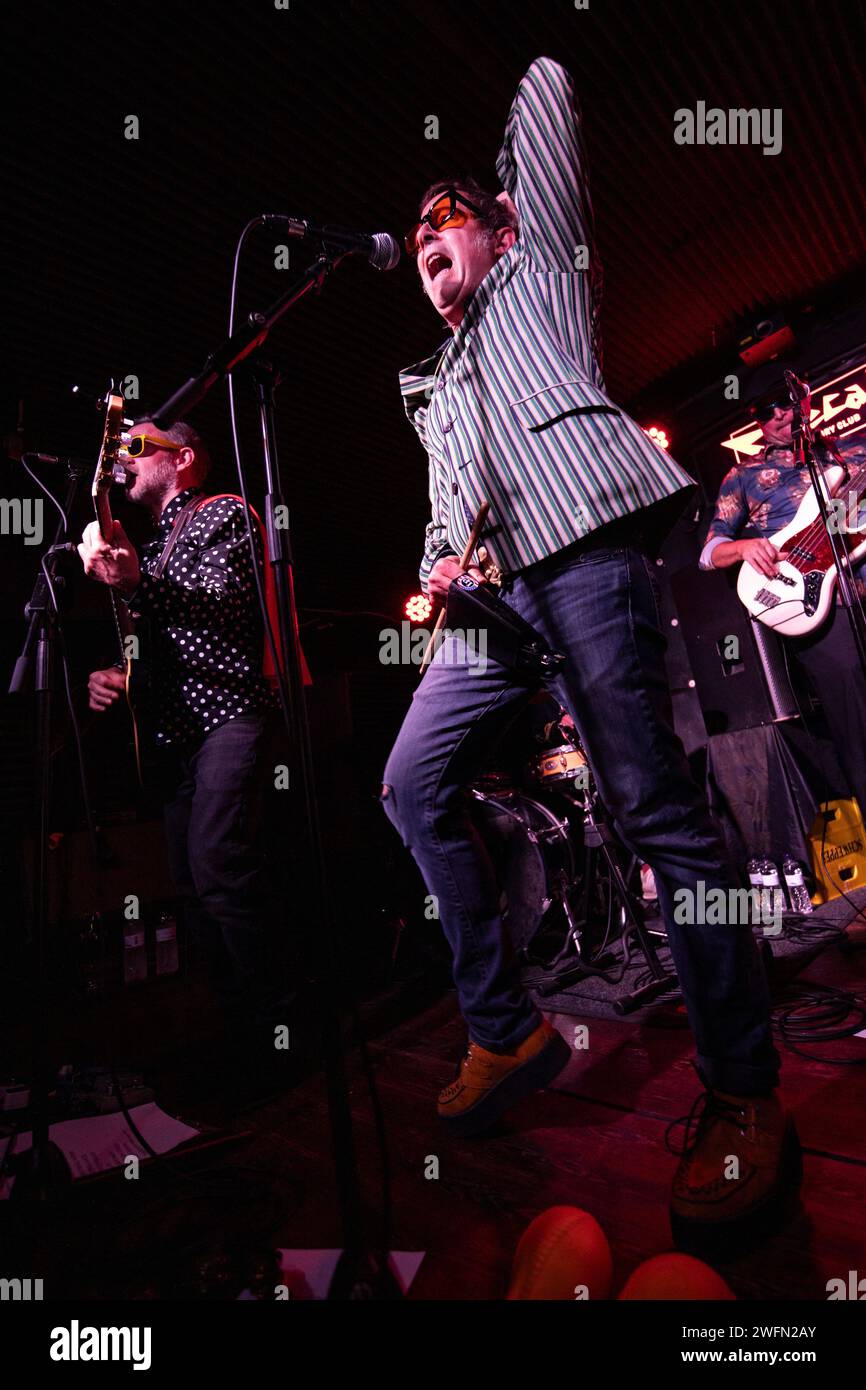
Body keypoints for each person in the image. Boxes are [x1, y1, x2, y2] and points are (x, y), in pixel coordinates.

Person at [381, 56, 795, 1243]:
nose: (422, 239)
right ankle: (504, 1024)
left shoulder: (535, 281)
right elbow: (438, 508)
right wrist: (430, 565)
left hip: (584, 557)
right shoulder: (430, 383)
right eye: (413, 235)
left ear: (499, 228)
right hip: (493, 603)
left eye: (441, 219)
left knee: (654, 813)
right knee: (409, 784)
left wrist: (502, 203)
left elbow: (550, 103)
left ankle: (742, 1090)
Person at [78, 419, 286, 1069]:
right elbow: (162, 640)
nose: (122, 459)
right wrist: (119, 670)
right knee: (191, 886)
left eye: (136, 447)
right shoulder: (156, 542)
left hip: (229, 715)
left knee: (220, 865)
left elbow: (225, 606)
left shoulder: (224, 513)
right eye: (119, 450)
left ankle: (281, 1027)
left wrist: (140, 584)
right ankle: (239, 1034)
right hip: (177, 735)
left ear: (184, 457)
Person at [701, 376, 866, 816]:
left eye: (783, 403)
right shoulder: (743, 476)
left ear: (804, 401)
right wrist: (744, 547)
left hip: (862, 575)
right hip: (816, 605)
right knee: (858, 730)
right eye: (763, 409)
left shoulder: (848, 452)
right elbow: (709, 552)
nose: (776, 414)